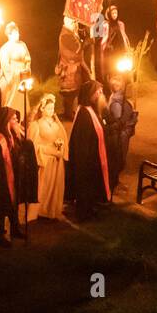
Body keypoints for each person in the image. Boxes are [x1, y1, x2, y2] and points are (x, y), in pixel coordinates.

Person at [0, 107, 36, 249]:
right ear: (6, 121)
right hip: (0, 180)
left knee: (14, 203)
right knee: (0, 207)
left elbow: (19, 152)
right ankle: (0, 236)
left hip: (14, 177)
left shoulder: (14, 135)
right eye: (14, 119)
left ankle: (15, 229)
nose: (17, 120)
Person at [66, 80, 111, 219]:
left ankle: (90, 208)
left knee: (90, 186)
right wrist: (86, 160)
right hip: (85, 160)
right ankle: (83, 213)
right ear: (89, 94)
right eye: (97, 92)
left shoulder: (91, 110)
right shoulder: (84, 114)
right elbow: (81, 141)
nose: (100, 95)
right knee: (84, 187)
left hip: (92, 157)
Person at [28, 94, 67, 221]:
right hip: (45, 160)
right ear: (42, 109)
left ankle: (52, 208)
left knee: (56, 185)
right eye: (48, 108)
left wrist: (60, 145)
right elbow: (33, 145)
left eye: (52, 108)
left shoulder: (56, 124)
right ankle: (42, 209)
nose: (51, 111)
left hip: (56, 160)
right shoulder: (36, 125)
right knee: (45, 185)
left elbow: (61, 137)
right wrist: (48, 150)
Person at [103, 76, 138, 192]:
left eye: (120, 84)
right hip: (120, 135)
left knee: (118, 158)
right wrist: (132, 118)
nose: (119, 87)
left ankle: (114, 182)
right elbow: (119, 121)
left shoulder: (118, 98)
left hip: (121, 133)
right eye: (116, 85)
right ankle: (113, 184)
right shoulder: (117, 102)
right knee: (119, 158)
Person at [55, 17, 87, 118]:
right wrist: (85, 44)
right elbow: (75, 51)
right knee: (70, 93)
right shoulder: (66, 35)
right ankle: (69, 114)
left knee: (73, 92)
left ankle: (71, 112)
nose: (75, 23)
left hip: (72, 68)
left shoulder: (70, 33)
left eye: (75, 21)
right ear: (66, 22)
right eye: (73, 21)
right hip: (69, 68)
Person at [0, 21, 33, 111]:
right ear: (9, 34)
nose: (18, 34)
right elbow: (5, 66)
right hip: (13, 77)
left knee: (23, 99)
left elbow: (27, 58)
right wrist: (16, 74)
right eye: (15, 32)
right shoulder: (5, 48)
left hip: (23, 76)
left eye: (18, 32)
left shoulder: (22, 44)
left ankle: (23, 119)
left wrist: (27, 68)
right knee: (12, 100)